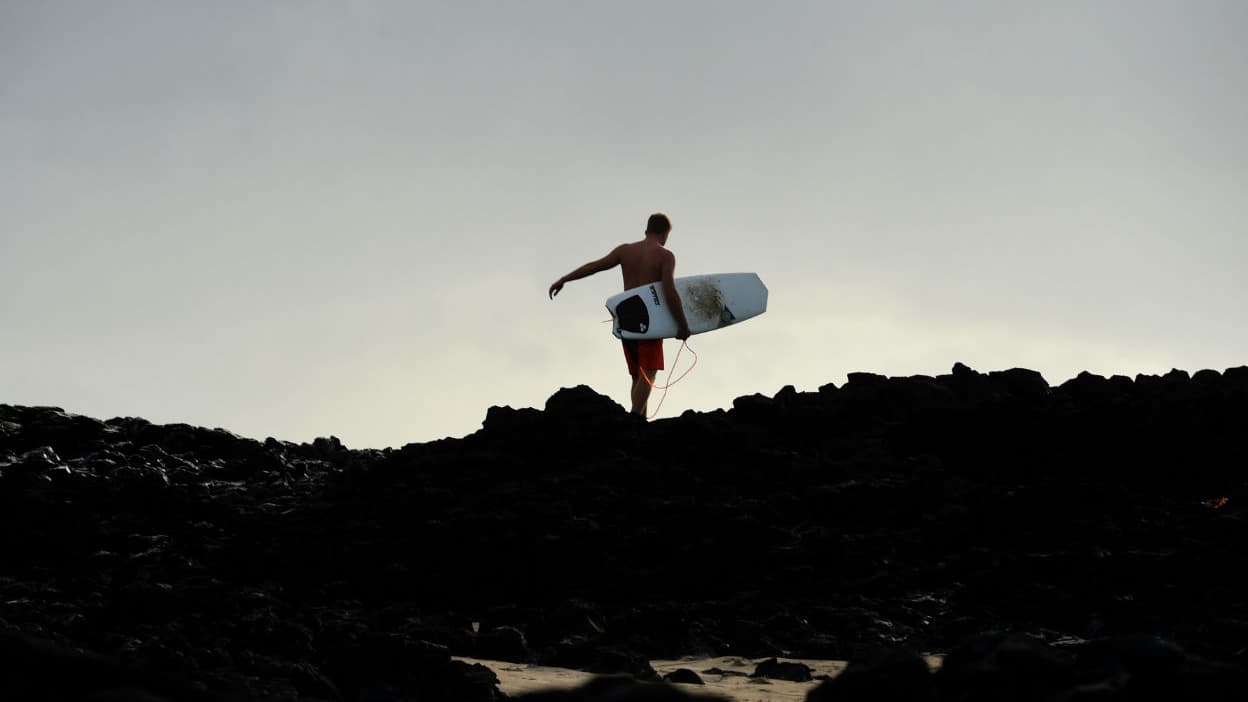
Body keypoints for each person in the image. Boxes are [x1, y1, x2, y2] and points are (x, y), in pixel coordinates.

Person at [549, 213, 692, 417]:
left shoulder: (625, 251)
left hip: (626, 317)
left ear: (646, 230)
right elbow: (669, 290)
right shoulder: (665, 255)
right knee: (649, 371)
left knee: (636, 375)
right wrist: (682, 324)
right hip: (649, 320)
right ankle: (634, 417)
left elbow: (594, 266)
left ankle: (640, 420)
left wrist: (565, 279)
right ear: (665, 233)